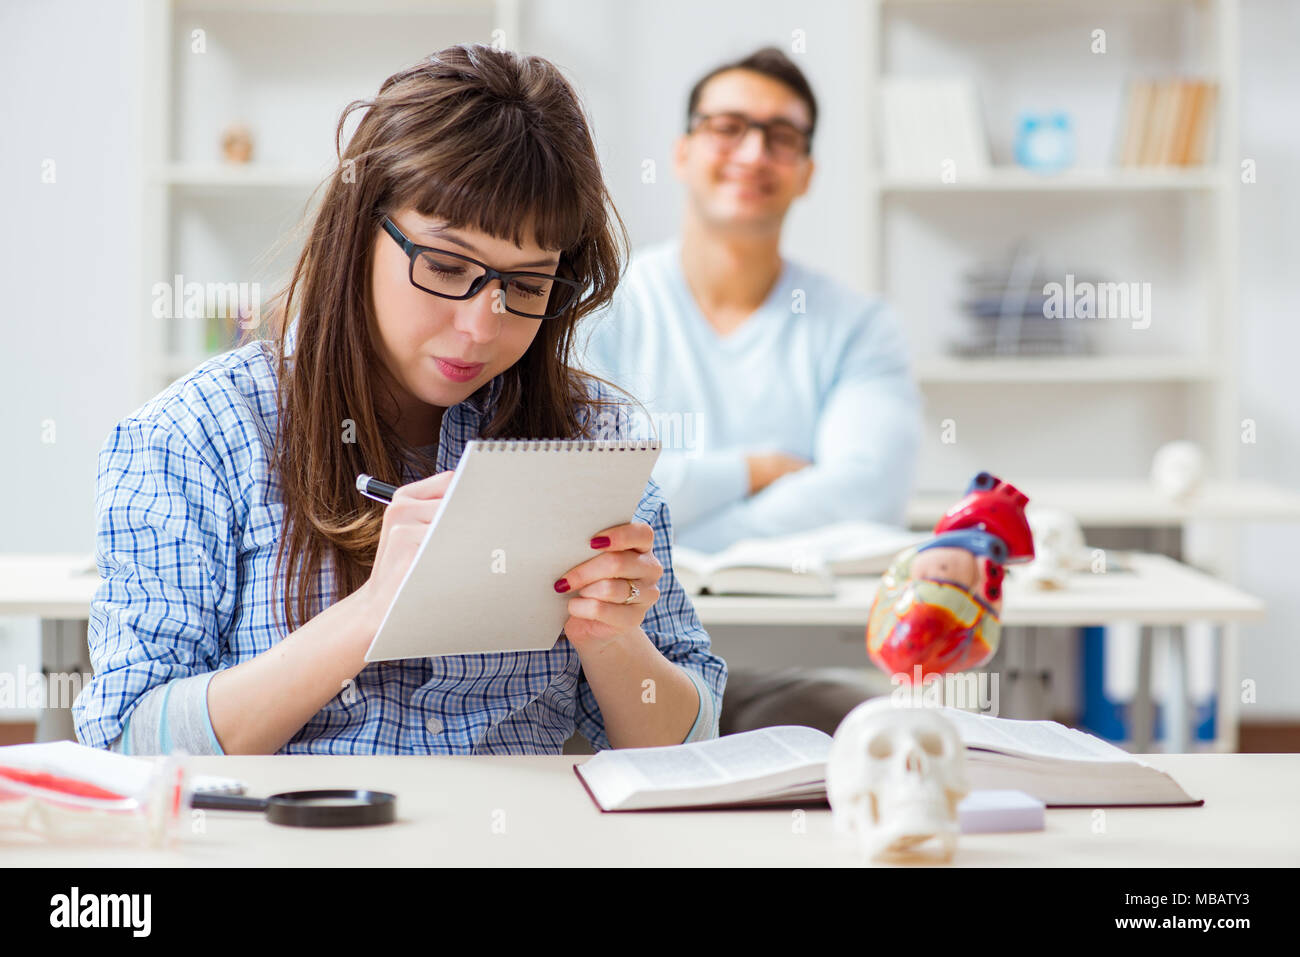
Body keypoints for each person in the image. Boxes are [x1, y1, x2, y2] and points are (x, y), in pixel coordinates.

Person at [72, 44, 725, 756]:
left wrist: (613, 638)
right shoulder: (196, 436)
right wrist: (376, 612)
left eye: (529, 285)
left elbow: (687, 748)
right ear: (358, 232)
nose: (482, 326)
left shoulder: (589, 438)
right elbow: (129, 744)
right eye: (445, 266)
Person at [578, 47, 922, 735]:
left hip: (799, 651)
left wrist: (676, 534)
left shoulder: (860, 326)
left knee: (890, 731)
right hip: (623, 658)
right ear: (682, 152)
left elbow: (867, 490)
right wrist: (754, 471)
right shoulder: (602, 310)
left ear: (806, 173)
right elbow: (586, 491)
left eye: (782, 136)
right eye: (728, 126)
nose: (754, 151)